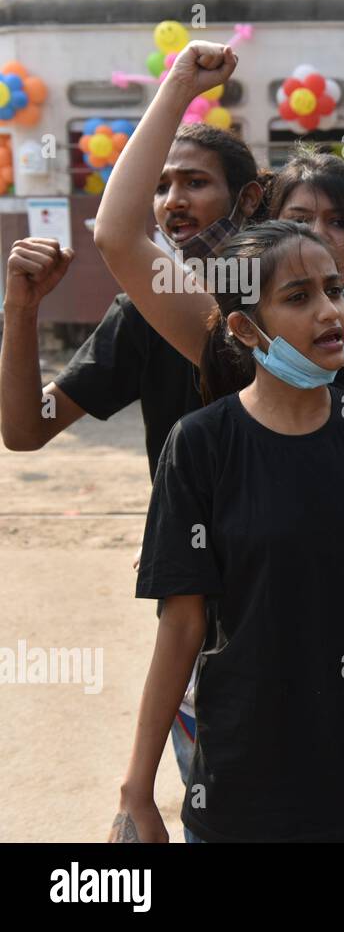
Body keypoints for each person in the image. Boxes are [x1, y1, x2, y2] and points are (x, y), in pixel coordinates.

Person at [92, 40, 344, 655]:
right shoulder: (228, 338)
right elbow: (117, 234)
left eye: (340, 221)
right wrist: (178, 88)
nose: (318, 236)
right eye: (299, 218)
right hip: (258, 657)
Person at [107, 220, 344, 843]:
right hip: (244, 775)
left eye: (331, 288)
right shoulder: (201, 445)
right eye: (298, 297)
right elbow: (181, 624)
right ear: (244, 329)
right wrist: (138, 789)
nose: (329, 311)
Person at [1, 122, 264, 801]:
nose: (171, 199)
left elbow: (120, 238)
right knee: (220, 791)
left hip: (300, 567)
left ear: (250, 200)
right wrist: (22, 313)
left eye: (195, 182)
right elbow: (29, 429)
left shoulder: (288, 301)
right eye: (159, 185)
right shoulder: (139, 315)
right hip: (199, 597)